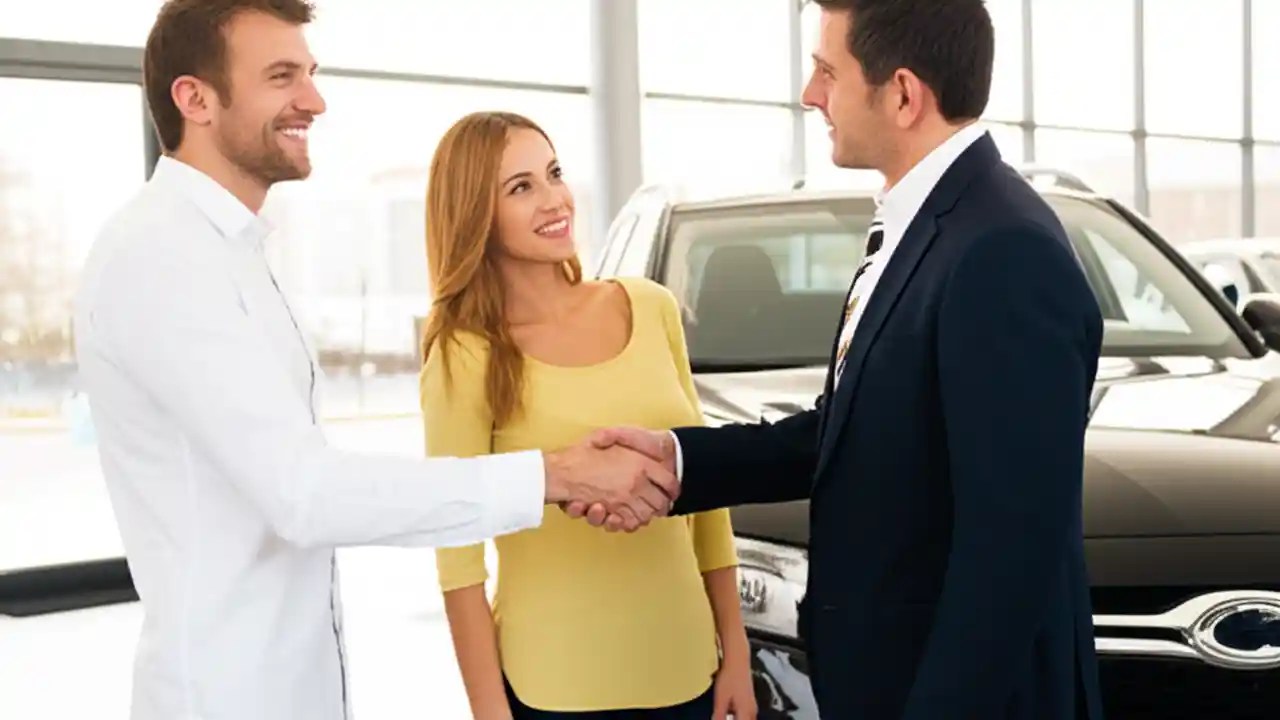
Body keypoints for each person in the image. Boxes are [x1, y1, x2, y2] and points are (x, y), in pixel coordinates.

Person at [72, 3, 676, 720]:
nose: (314, 100)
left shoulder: (227, 252)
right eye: (281, 76)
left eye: (311, 74)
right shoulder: (161, 259)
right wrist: (552, 474)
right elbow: (306, 492)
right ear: (194, 98)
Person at [576, 1, 1106, 718]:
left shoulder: (1001, 252)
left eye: (828, 71)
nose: (810, 95)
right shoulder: (928, 225)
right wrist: (680, 462)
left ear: (904, 94)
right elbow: (856, 432)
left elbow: (1009, 555)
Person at [419, 111, 757, 720]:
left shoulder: (650, 308)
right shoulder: (464, 354)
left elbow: (708, 501)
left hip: (685, 672)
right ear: (475, 215)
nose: (554, 200)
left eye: (553, 173)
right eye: (521, 187)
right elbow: (458, 560)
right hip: (556, 687)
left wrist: (734, 653)